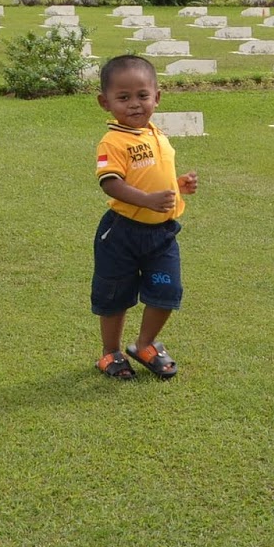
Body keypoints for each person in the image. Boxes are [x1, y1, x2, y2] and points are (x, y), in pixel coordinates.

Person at [90, 55, 199, 380]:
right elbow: (111, 183)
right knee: (114, 297)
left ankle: (145, 344)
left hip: (162, 235)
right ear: (105, 102)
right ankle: (111, 353)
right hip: (122, 234)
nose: (134, 105)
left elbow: (153, 176)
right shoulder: (113, 141)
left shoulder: (157, 134)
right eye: (123, 98)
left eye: (142, 96)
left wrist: (178, 187)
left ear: (157, 97)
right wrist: (148, 200)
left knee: (166, 292)